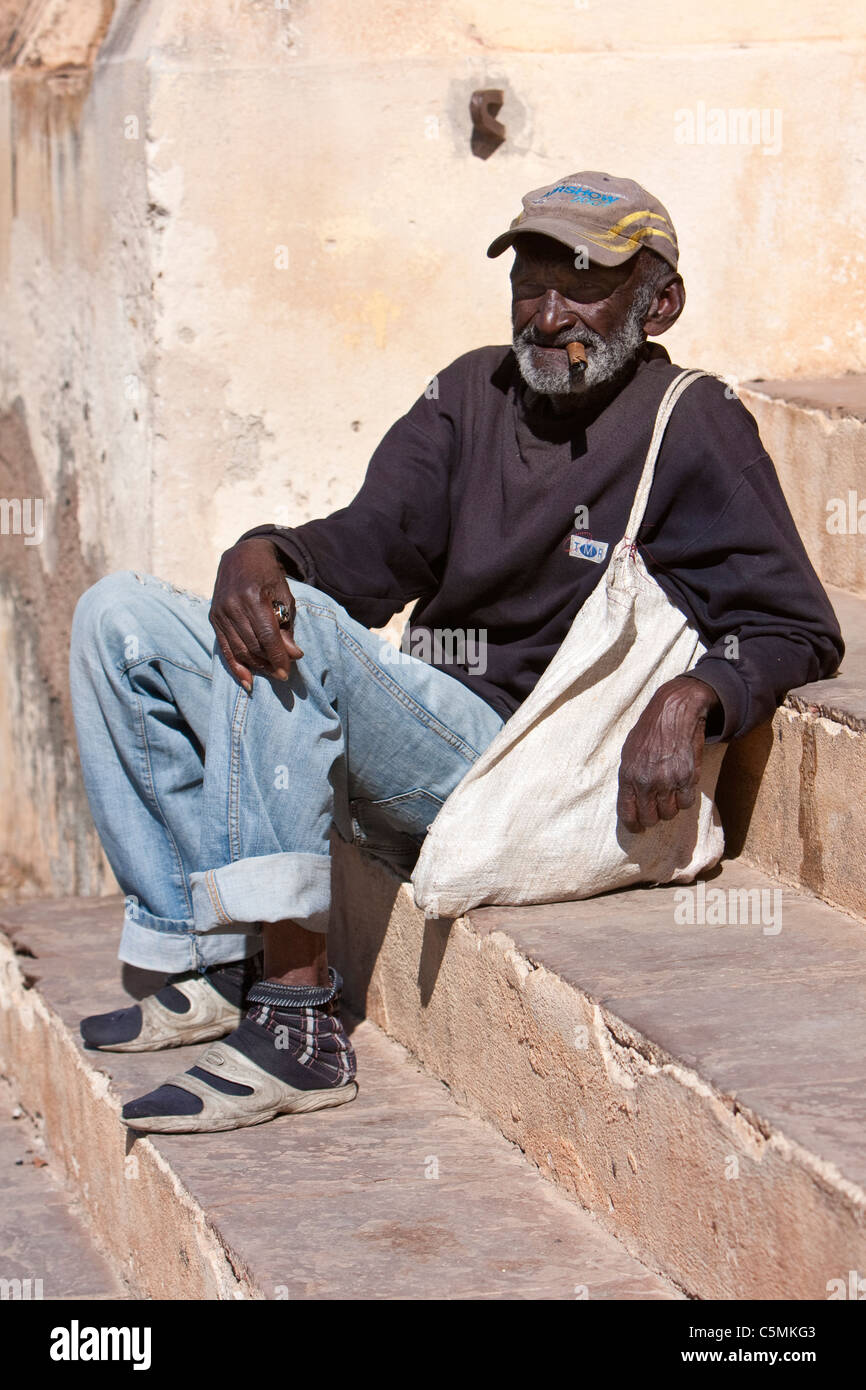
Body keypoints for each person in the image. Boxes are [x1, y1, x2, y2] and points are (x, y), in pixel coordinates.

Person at [69, 171, 843, 1134]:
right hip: (413, 713)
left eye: (586, 284)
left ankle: (302, 1022)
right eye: (531, 283)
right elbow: (364, 552)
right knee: (119, 618)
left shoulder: (693, 423)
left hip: (508, 760)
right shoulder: (470, 391)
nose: (551, 312)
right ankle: (207, 963)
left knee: (300, 645)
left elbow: (799, 626)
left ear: (661, 299)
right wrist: (265, 552)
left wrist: (698, 694)